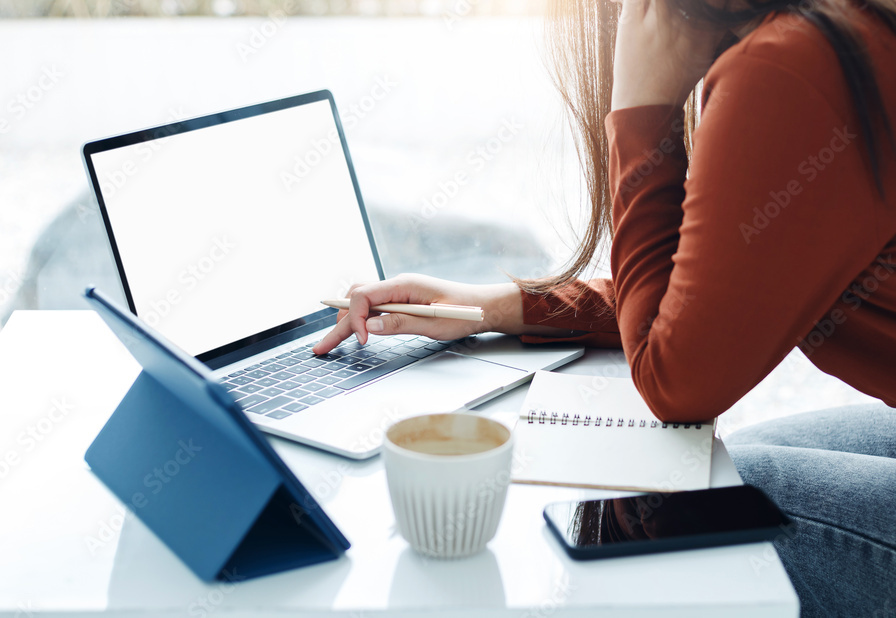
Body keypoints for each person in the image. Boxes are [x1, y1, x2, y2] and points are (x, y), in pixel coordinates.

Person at [312, 0, 896, 615]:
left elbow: (678, 380)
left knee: (668, 503)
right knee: (715, 466)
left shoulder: (792, 67)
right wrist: (497, 307)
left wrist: (642, 110)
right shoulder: (834, 34)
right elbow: (722, 287)